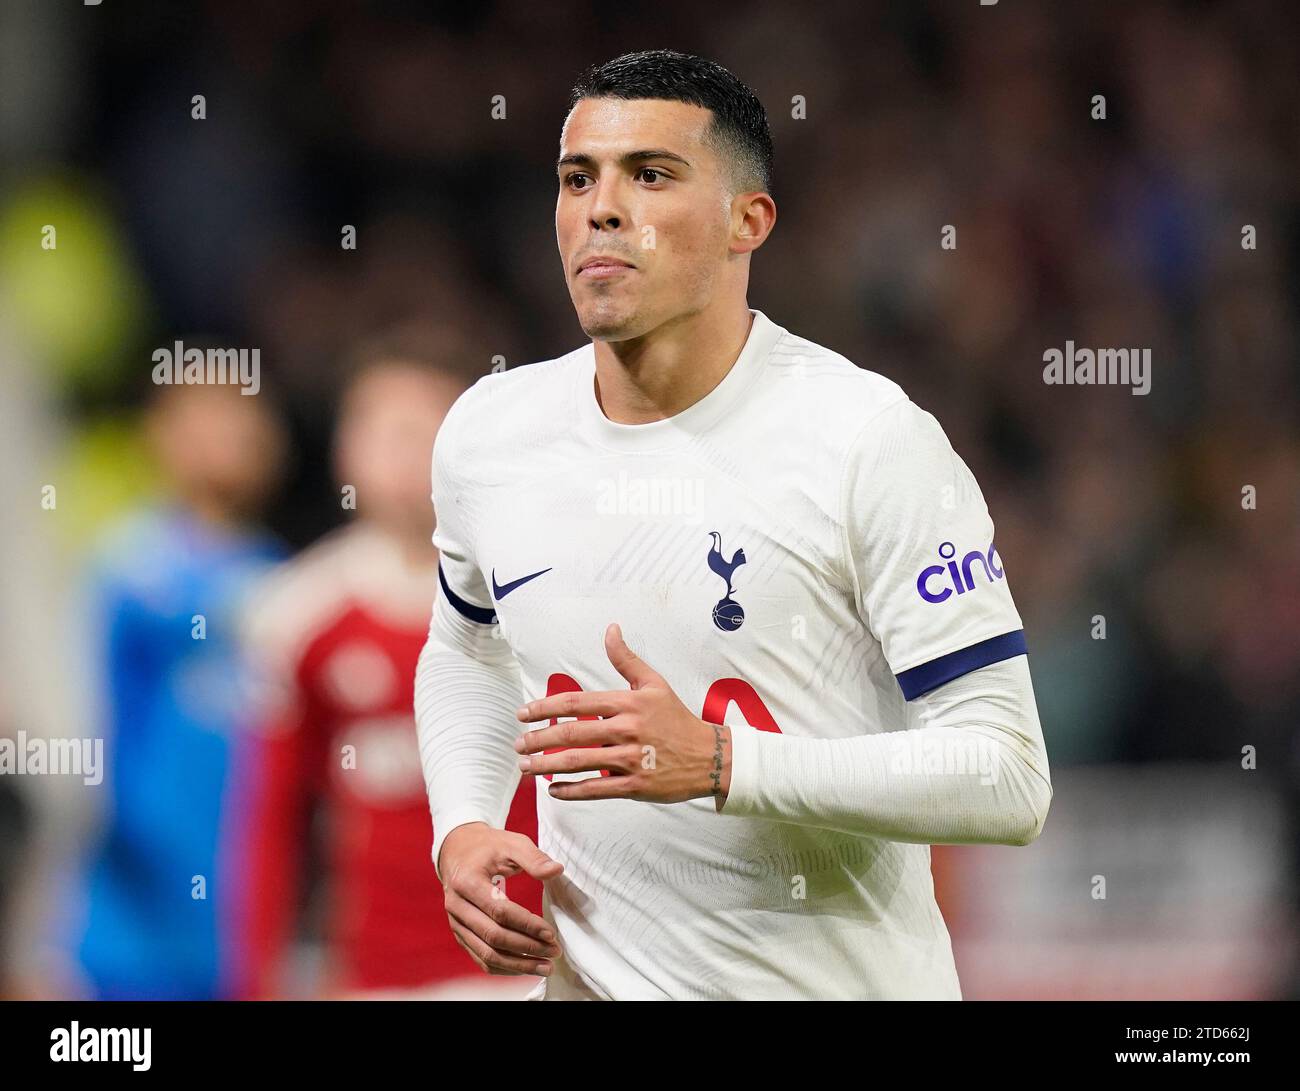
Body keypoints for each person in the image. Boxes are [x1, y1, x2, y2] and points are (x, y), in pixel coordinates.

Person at [415, 49, 1052, 1000]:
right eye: (578, 178)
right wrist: (462, 821)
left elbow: (1007, 776)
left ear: (747, 222)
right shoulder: (490, 433)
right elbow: (465, 647)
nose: (603, 207)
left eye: (652, 175)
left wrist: (725, 763)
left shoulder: (867, 441)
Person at [232, 346, 542, 999]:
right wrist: (257, 979)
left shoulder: (537, 599)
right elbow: (274, 817)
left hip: (525, 974)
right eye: (386, 431)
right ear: (346, 451)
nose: (406, 456)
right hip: (376, 976)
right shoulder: (297, 613)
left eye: (426, 429)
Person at [73, 379, 286, 999]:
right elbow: (91, 718)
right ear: (161, 436)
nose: (228, 441)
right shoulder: (128, 568)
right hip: (134, 898)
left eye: (243, 424)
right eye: (206, 423)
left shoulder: (279, 577)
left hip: (240, 894)